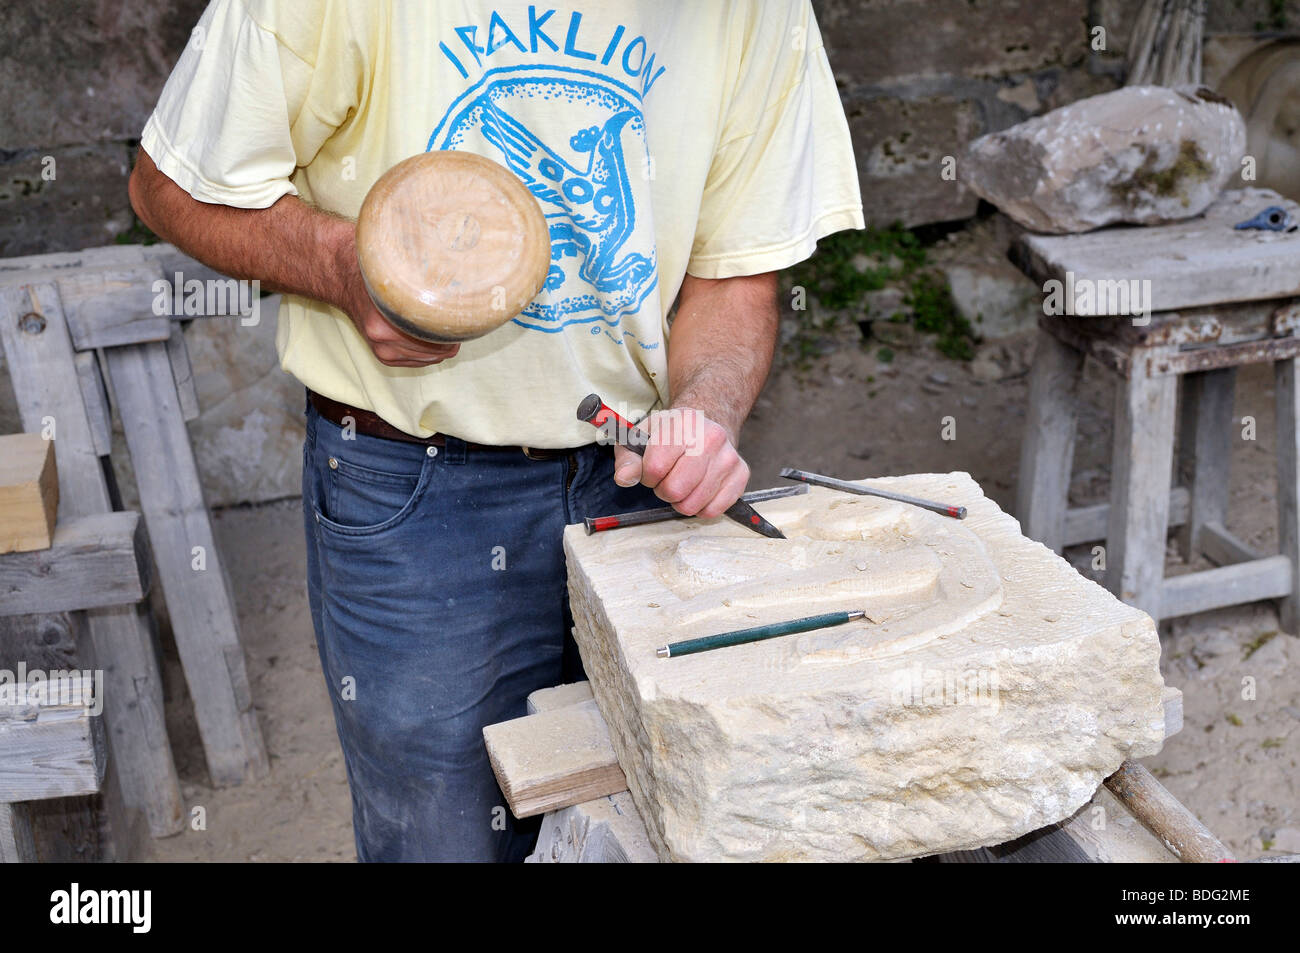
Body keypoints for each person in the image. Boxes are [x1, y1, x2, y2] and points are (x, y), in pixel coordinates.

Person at [129, 0, 864, 862]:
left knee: (664, 821)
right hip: (414, 491)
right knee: (444, 841)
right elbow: (170, 184)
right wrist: (342, 267)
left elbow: (734, 271)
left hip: (633, 476)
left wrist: (703, 413)